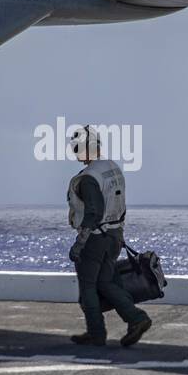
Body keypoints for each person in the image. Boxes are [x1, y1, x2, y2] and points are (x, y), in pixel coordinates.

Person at [66, 126, 151, 348]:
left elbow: (93, 212)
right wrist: (118, 233)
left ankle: (96, 333)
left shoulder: (88, 178)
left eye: (76, 148)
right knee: (107, 282)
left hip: (95, 239)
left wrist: (79, 243)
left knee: (88, 288)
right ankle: (136, 318)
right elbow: (120, 204)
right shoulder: (113, 169)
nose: (75, 152)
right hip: (114, 234)